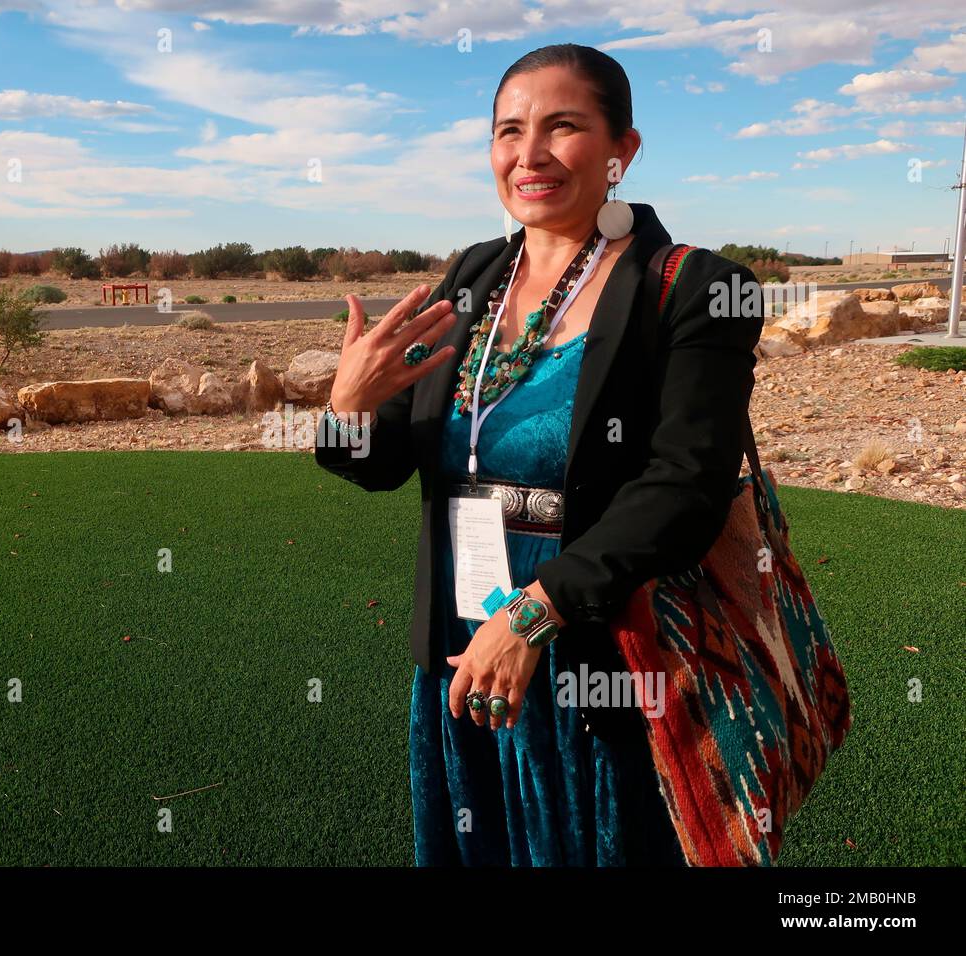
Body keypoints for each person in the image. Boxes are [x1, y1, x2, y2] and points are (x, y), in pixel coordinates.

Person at [315, 43, 764, 865]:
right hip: (463, 646)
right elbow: (390, 465)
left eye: (564, 126)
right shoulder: (473, 277)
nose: (529, 154)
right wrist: (348, 406)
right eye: (508, 130)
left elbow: (685, 487)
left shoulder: (690, 286)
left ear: (622, 150)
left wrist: (534, 613)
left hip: (603, 654)